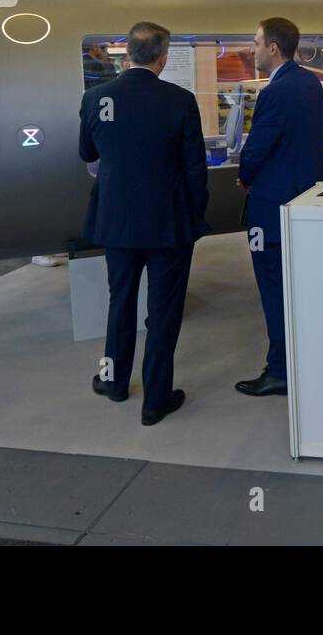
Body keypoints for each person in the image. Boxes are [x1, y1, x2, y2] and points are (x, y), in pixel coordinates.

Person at [79, 21, 210, 426]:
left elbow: (87, 154)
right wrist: (194, 217)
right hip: (168, 223)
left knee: (121, 301)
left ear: (127, 53)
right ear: (163, 57)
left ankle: (115, 381)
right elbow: (195, 169)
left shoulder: (96, 97)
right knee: (164, 309)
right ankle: (155, 399)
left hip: (116, 220)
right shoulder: (181, 101)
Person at [235, 18, 323, 396]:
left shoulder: (275, 92)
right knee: (298, 288)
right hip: (305, 199)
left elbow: (258, 147)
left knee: (274, 289)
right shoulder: (308, 82)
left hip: (273, 206)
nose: (253, 49)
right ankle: (301, 361)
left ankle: (280, 371)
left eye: (256, 42)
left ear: (273, 48)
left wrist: (245, 175)